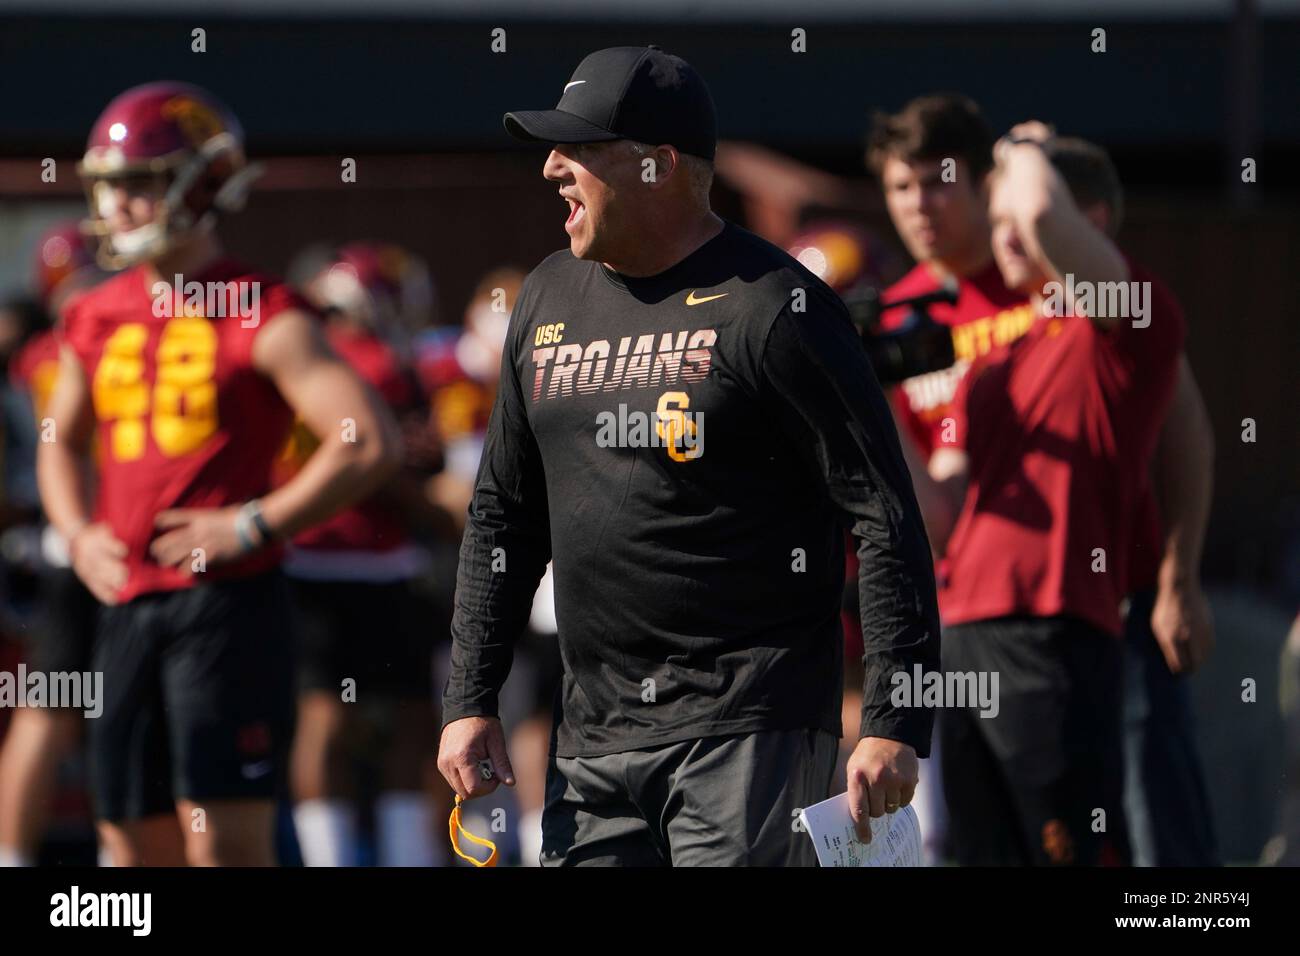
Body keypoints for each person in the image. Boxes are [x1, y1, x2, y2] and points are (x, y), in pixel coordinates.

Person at [437, 46, 939, 866]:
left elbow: (882, 517)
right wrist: (469, 696)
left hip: (750, 729)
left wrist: (892, 720)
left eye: (579, 149)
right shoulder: (546, 296)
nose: (552, 169)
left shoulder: (778, 306)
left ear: (656, 165)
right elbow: (505, 512)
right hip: (591, 736)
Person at [39, 81, 400, 866]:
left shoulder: (260, 308)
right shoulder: (93, 314)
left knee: (226, 844)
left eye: (139, 183)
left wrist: (251, 522)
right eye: (110, 186)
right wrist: (77, 532)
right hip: (127, 603)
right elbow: (59, 438)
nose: (119, 206)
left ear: (199, 183)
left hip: (226, 609)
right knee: (128, 837)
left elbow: (365, 440)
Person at [869, 97, 1217, 866]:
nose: (1003, 238)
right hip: (962, 632)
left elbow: (1185, 425)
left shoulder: (1122, 317)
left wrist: (1178, 574)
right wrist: (871, 392)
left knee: (1137, 837)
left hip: (1073, 620)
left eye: (943, 184)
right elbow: (944, 511)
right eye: (901, 187)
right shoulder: (978, 362)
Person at [281, 242, 446, 867]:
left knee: (322, 720)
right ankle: (406, 856)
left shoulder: (301, 355)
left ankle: (331, 856)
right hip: (376, 559)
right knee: (405, 718)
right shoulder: (378, 362)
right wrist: (441, 512)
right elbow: (392, 470)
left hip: (304, 557)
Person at [0, 223, 107, 868]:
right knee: (51, 710)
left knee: (117, 719)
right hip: (76, 553)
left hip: (122, 556)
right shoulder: (57, 351)